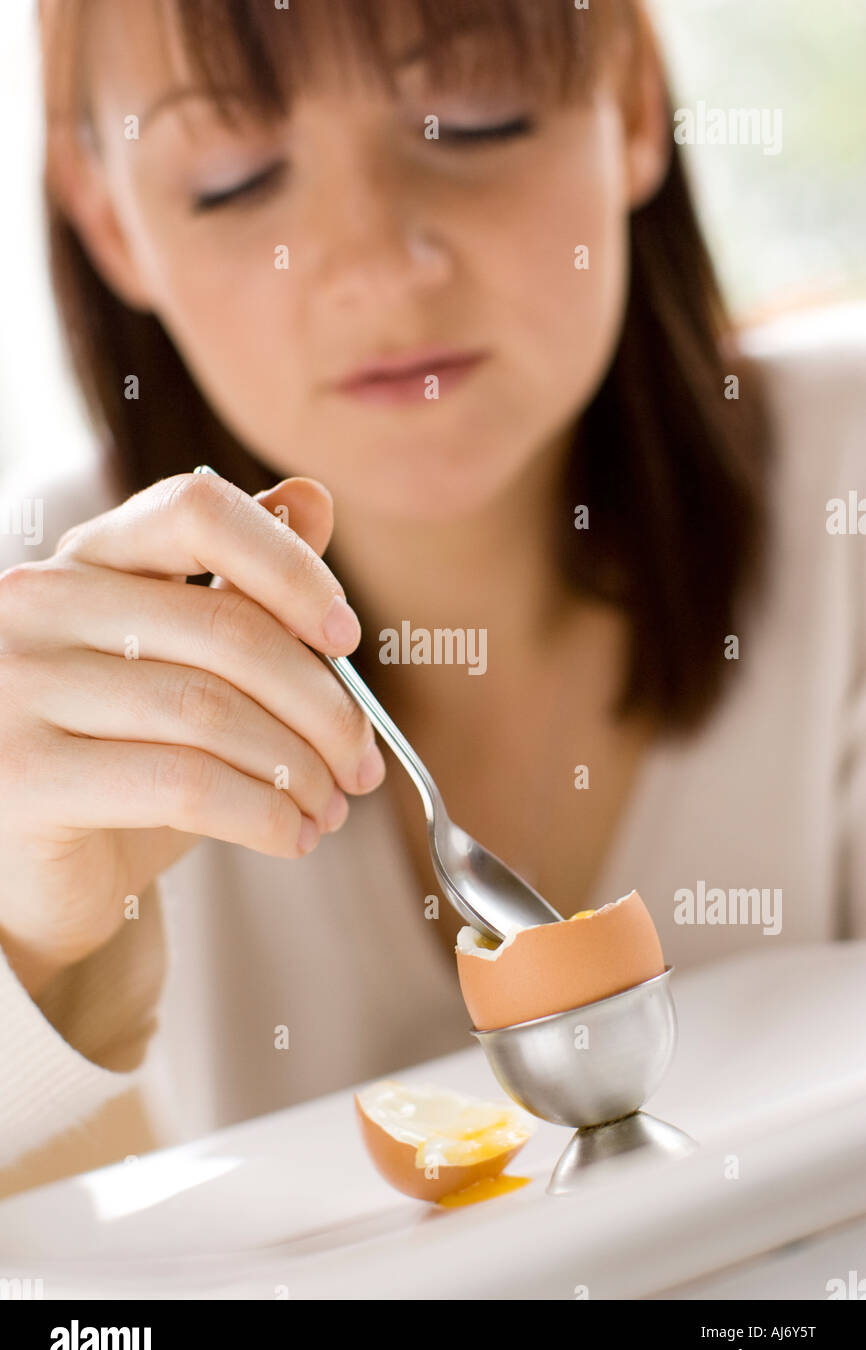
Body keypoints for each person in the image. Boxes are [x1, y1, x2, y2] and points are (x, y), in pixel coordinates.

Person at [0, 0, 863, 1198]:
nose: (371, 259)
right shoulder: (55, 631)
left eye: (470, 117)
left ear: (623, 99)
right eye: (235, 178)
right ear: (107, 214)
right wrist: (31, 946)